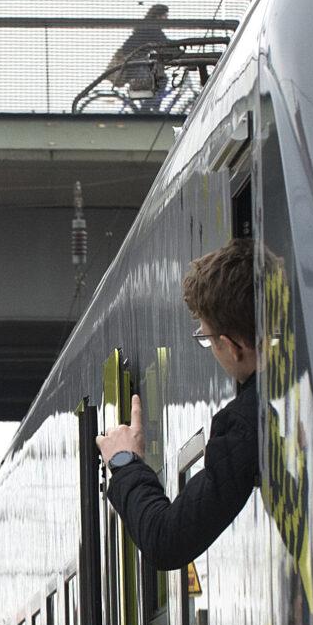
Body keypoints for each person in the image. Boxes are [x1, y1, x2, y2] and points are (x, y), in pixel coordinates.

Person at [98, 239, 262, 569]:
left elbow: (166, 539)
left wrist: (124, 462)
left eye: (207, 340)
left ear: (232, 347)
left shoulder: (250, 422)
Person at [103, 3, 175, 109]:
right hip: (132, 63)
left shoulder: (149, 27)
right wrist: (181, 49)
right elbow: (165, 44)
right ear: (158, 16)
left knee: (156, 79)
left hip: (132, 62)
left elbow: (162, 45)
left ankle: (153, 109)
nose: (167, 19)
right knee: (161, 79)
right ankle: (146, 110)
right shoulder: (153, 29)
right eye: (165, 16)